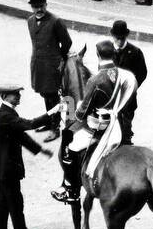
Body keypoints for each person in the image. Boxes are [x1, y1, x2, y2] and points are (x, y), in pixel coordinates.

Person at [51, 39, 138, 204]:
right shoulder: (124, 74)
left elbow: (81, 114)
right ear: (113, 54)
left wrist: (76, 109)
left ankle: (71, 190)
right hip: (117, 123)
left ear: (98, 55)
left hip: (99, 126)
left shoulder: (96, 80)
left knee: (70, 147)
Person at [0, 81, 56, 229]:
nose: (19, 97)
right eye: (16, 94)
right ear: (5, 96)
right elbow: (30, 125)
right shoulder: (6, 115)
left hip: (2, 166)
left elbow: (20, 136)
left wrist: (40, 150)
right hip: (7, 167)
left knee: (5, 200)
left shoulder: (6, 113)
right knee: (15, 201)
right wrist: (52, 112)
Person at [26, 0, 71, 141]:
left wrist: (61, 59)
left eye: (41, 6)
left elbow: (67, 42)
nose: (39, 9)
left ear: (46, 4)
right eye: (35, 7)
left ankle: (56, 127)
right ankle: (49, 121)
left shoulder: (56, 21)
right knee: (44, 93)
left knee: (53, 96)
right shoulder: (30, 21)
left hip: (52, 65)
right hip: (38, 65)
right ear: (31, 7)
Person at [110, 19, 146, 145]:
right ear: (112, 36)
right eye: (117, 38)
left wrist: (132, 86)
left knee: (127, 116)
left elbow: (142, 73)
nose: (119, 41)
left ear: (126, 36)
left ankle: (126, 137)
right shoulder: (107, 50)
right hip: (112, 93)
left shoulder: (135, 52)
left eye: (122, 38)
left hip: (128, 93)